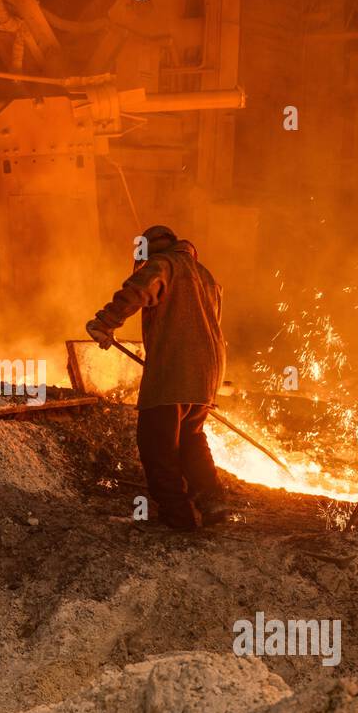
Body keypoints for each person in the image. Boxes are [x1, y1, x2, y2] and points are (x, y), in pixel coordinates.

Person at [86, 225, 229, 530]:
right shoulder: (205, 275)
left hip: (174, 370)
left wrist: (105, 323)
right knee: (191, 437)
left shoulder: (163, 266)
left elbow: (138, 290)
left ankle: (179, 516)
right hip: (207, 373)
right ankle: (212, 500)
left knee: (156, 443)